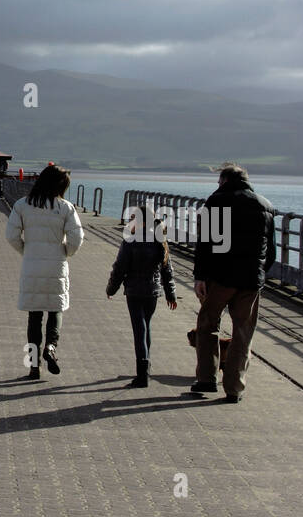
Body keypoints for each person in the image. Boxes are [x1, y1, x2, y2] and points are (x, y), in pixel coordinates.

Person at [190, 163, 275, 403]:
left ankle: (207, 379)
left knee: (208, 325)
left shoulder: (216, 202)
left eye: (219, 181)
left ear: (225, 180)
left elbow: (205, 245)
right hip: (250, 281)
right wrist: (259, 273)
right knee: (243, 333)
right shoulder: (266, 206)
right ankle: (234, 389)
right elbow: (272, 253)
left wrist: (200, 277)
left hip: (220, 277)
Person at [6, 163, 84, 380]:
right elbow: (77, 238)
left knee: (34, 318)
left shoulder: (23, 205)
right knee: (55, 310)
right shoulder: (66, 207)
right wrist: (65, 252)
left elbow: (11, 235)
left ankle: (32, 366)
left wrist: (26, 250)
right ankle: (51, 347)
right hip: (56, 266)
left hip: (32, 266)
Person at [106, 204, 177, 387]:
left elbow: (119, 268)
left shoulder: (130, 241)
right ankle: (147, 367)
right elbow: (167, 270)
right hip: (153, 292)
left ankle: (142, 375)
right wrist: (171, 294)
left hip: (134, 291)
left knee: (140, 330)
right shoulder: (160, 240)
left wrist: (111, 289)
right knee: (146, 326)